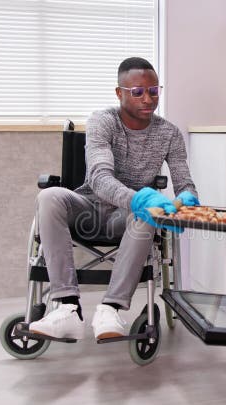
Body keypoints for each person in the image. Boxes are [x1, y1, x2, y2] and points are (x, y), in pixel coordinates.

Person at [28, 57, 199, 341]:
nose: (148, 98)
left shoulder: (169, 133)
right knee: (49, 196)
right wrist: (140, 198)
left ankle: (110, 309)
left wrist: (187, 200)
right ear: (119, 93)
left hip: (128, 220)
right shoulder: (102, 121)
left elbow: (186, 183)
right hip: (89, 209)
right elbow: (99, 179)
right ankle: (67, 309)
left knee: (146, 215)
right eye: (137, 92)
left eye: (154, 91)